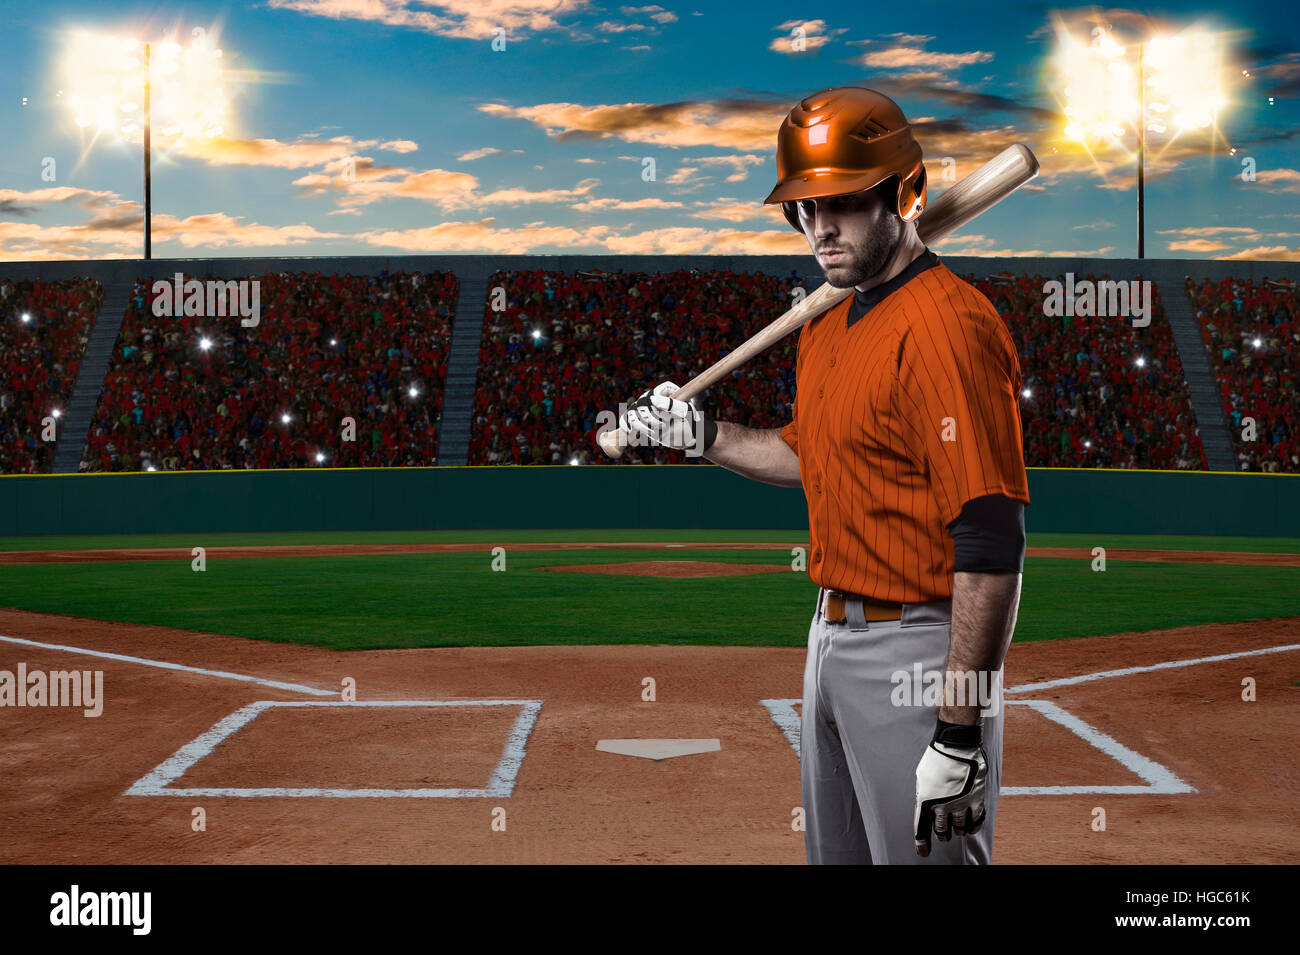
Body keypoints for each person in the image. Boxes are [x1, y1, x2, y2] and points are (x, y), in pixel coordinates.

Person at [618, 87, 1029, 864]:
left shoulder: (951, 327)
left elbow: (990, 537)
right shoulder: (829, 320)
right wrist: (697, 432)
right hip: (828, 641)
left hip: (918, 650)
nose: (819, 227)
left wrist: (959, 725)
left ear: (904, 192)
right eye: (803, 207)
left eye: (841, 202)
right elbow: (811, 456)